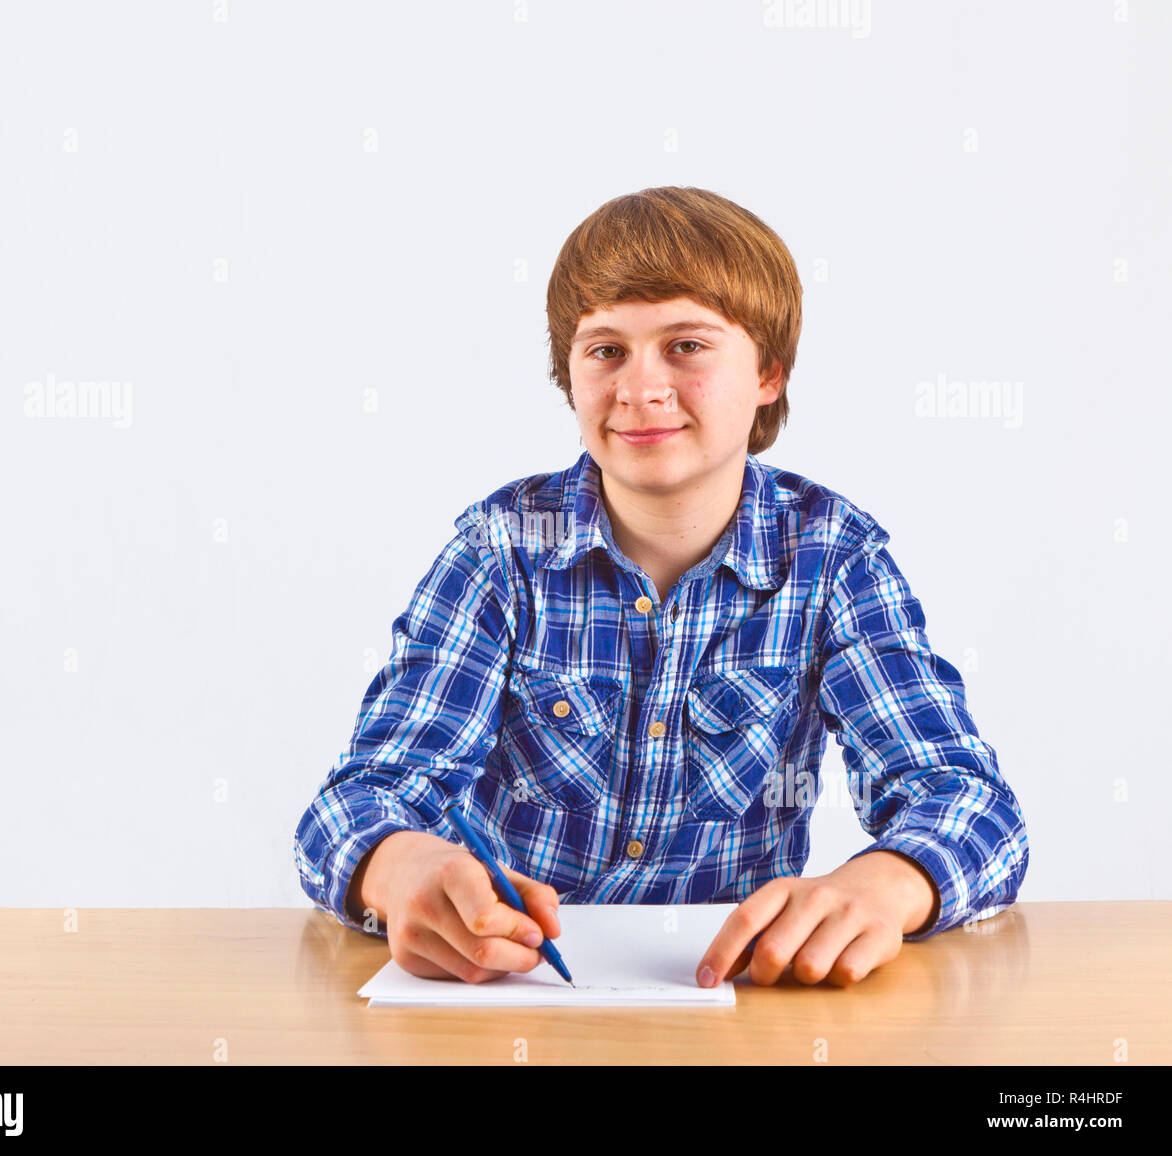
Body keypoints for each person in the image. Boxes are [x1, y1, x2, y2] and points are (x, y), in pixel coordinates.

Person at [293, 186, 1029, 989]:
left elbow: (967, 801)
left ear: (768, 374)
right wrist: (400, 868)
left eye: (686, 346)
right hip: (516, 1000)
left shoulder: (831, 559)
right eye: (606, 351)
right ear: (569, 377)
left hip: (734, 1006)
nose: (640, 389)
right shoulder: (500, 551)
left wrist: (886, 885)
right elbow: (359, 801)